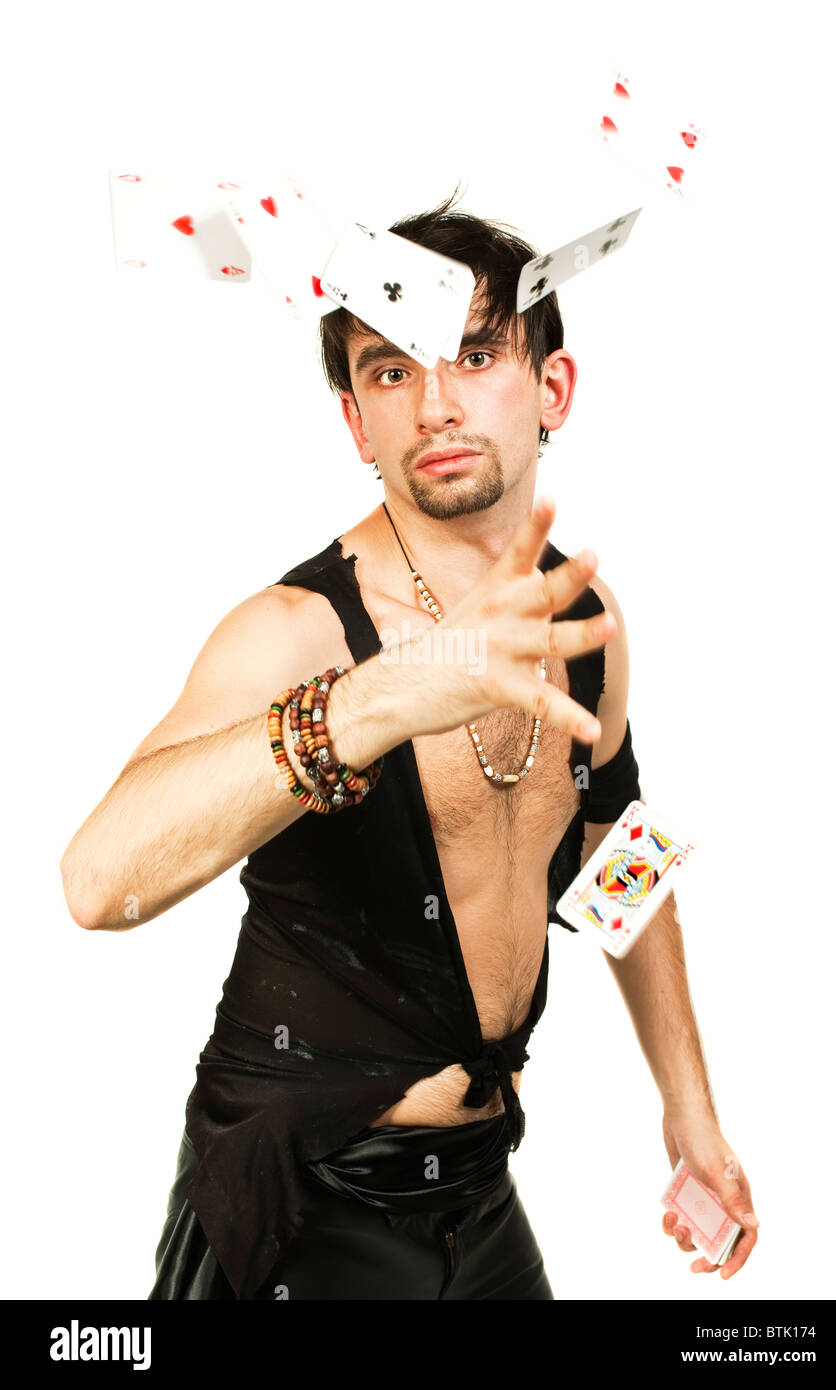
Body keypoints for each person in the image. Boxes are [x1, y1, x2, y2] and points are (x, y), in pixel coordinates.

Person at [60, 191, 759, 1300]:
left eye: (474, 353)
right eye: (391, 370)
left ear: (551, 388)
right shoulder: (292, 630)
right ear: (355, 420)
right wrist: (383, 696)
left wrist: (688, 1105)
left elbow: (616, 852)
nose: (434, 403)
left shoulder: (584, 621)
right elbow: (97, 884)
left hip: (478, 1188)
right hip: (299, 1202)